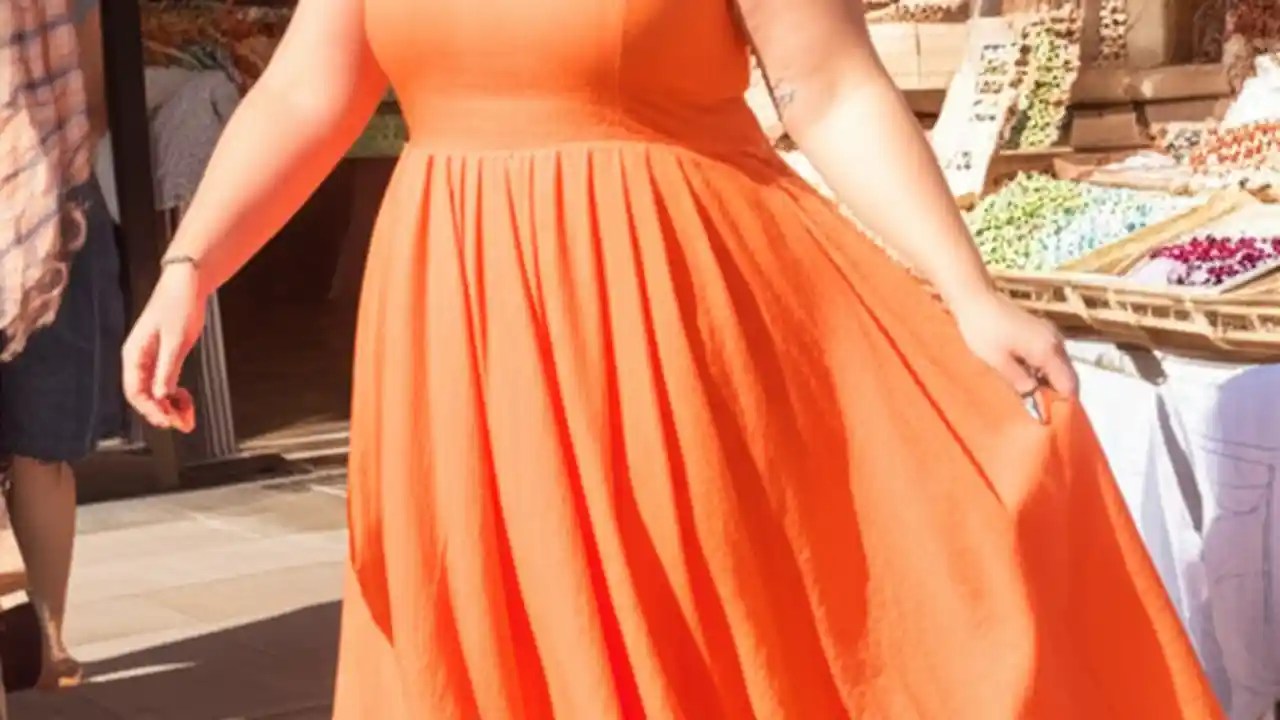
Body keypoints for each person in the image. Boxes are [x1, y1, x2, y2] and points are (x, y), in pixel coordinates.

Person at [122, 0, 1223, 716]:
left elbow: (826, 89)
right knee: (490, 618)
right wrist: (191, 266)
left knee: (700, 617)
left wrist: (966, 289)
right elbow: (311, 92)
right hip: (457, 322)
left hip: (669, 321)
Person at [0, 0, 121, 692]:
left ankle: (43, 649)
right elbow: (94, 106)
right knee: (42, 451)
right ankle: (46, 649)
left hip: (45, 211)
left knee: (43, 447)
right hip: (49, 207)